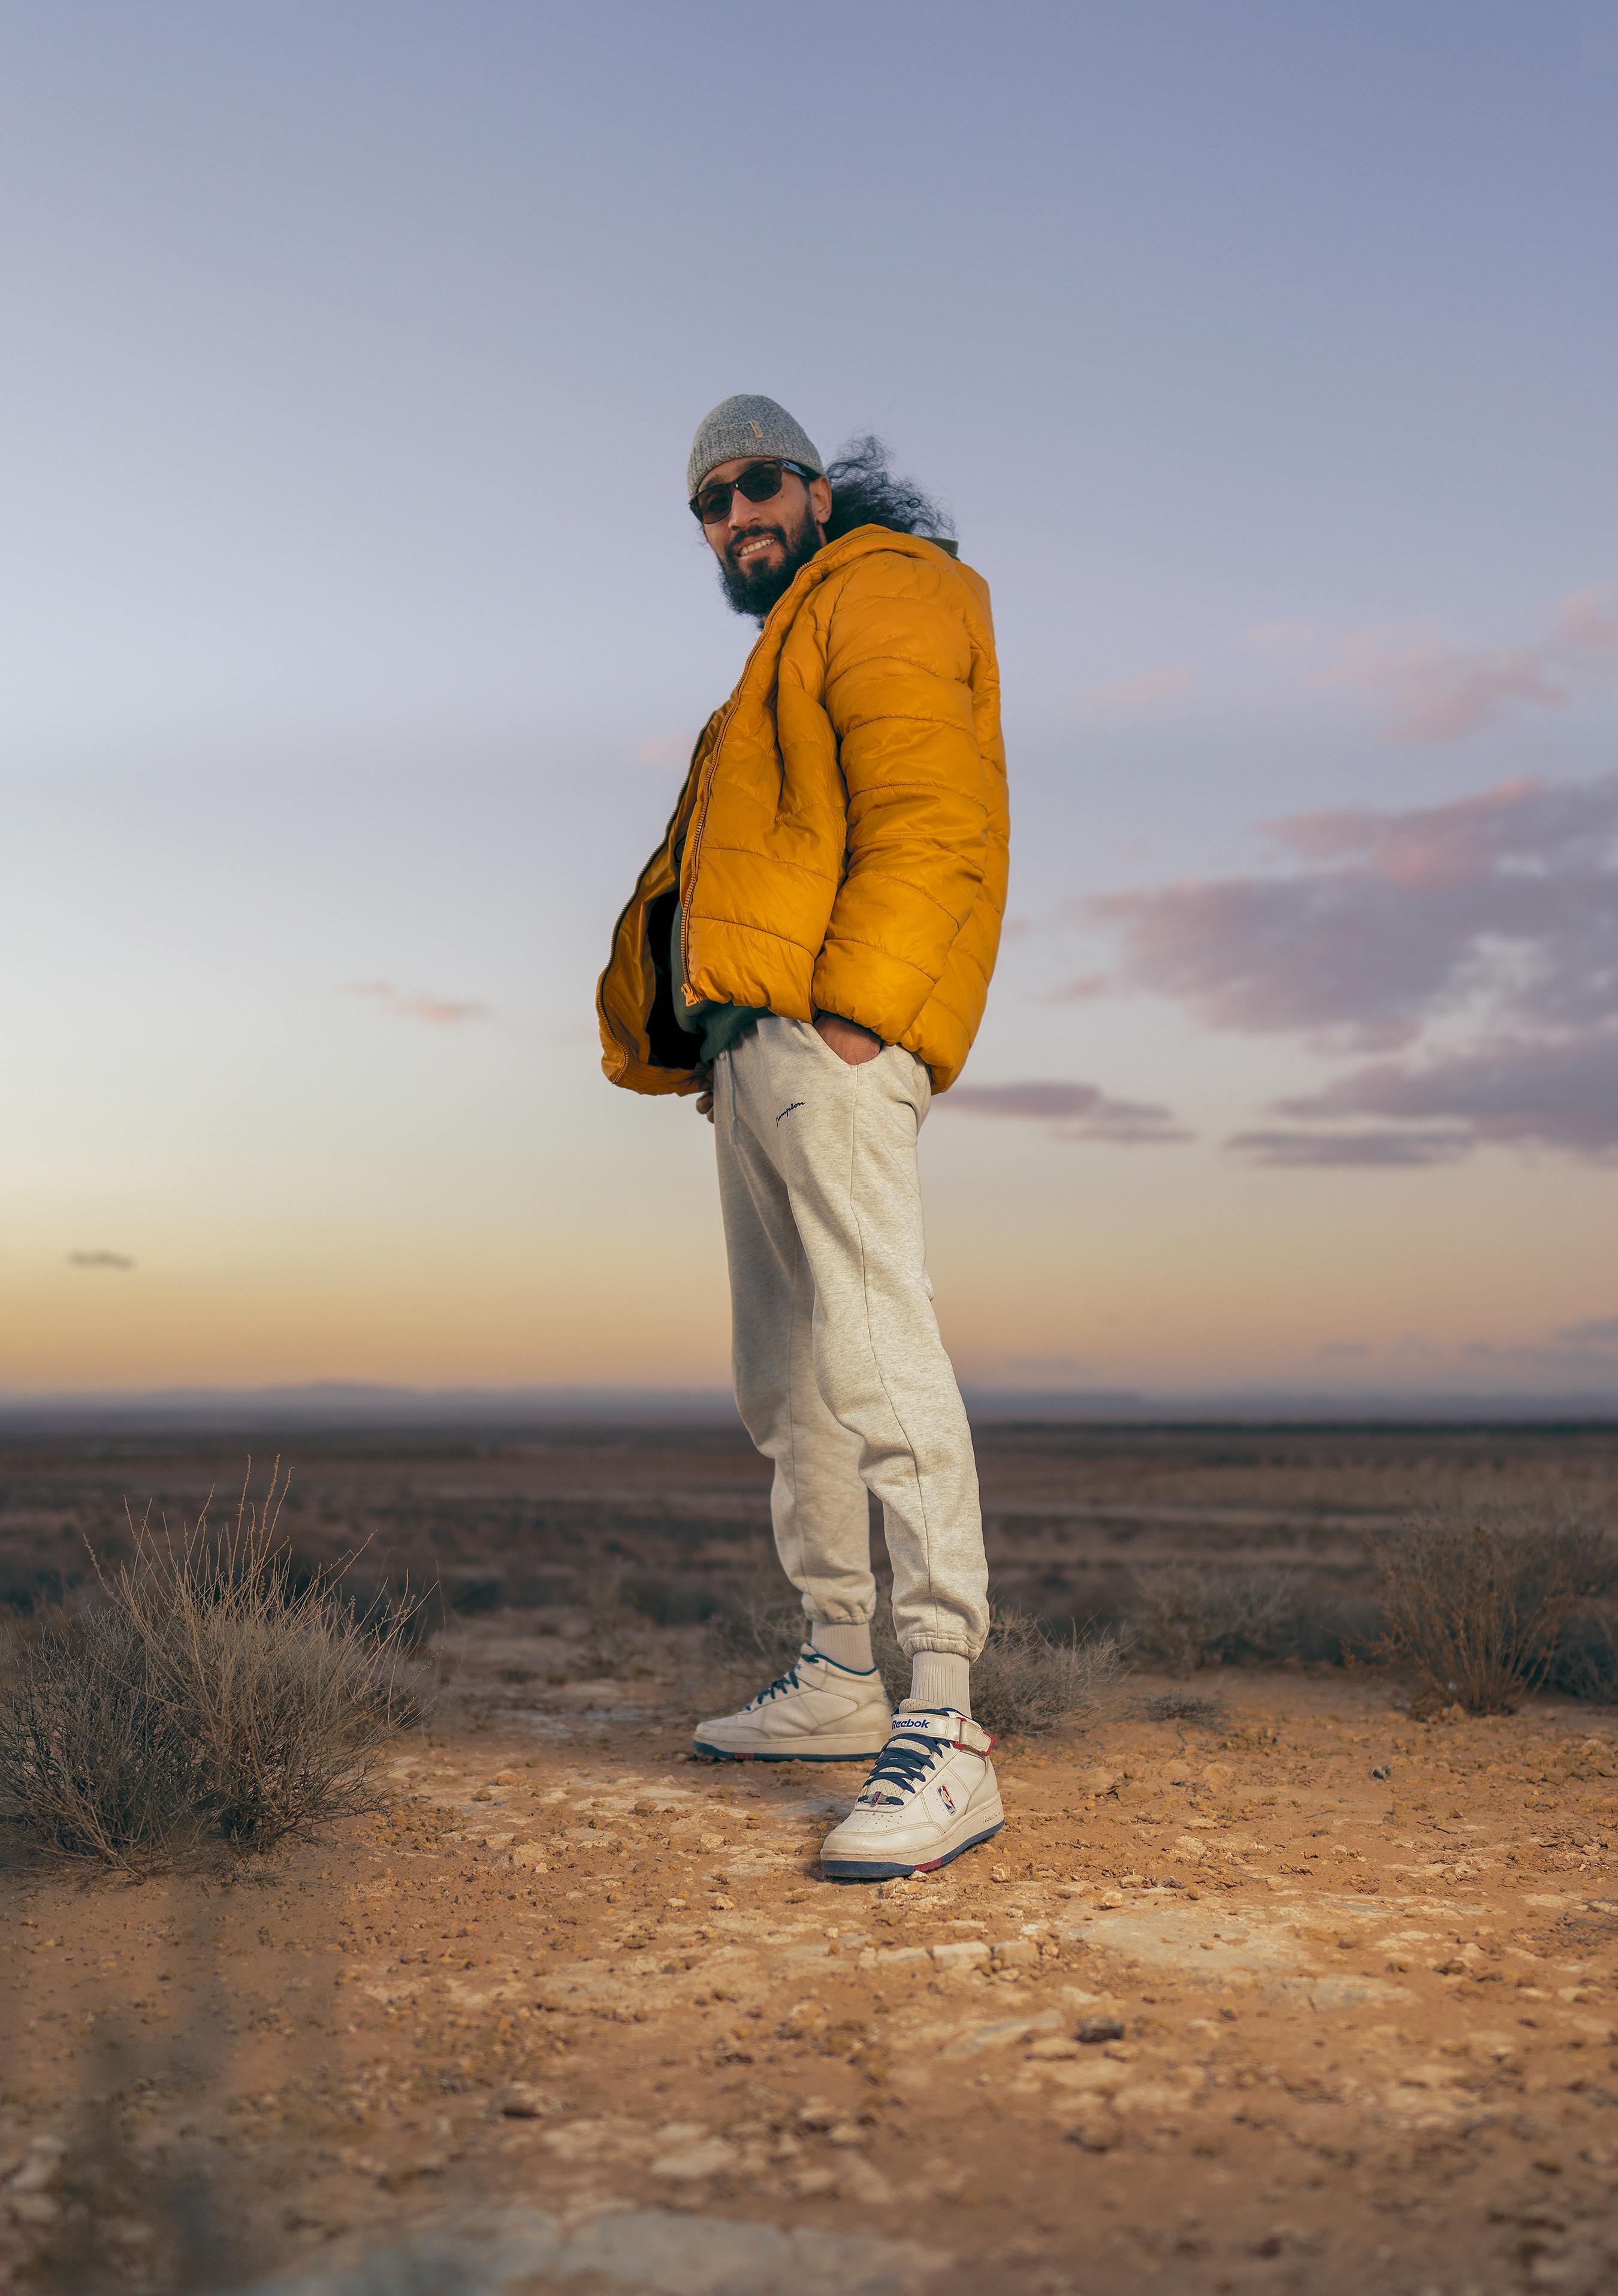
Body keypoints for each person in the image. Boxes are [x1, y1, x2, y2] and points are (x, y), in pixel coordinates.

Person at [596, 396, 1009, 1879]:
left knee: (877, 1354)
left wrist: (858, 1016)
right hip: (752, 1050)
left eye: (757, 484)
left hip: (828, 1034)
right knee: (787, 1381)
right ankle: (842, 1672)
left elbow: (934, 813)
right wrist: (718, 1045)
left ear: (820, 491)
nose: (733, 517)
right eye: (709, 504)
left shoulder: (887, 588)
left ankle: (947, 1718)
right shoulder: (781, 643)